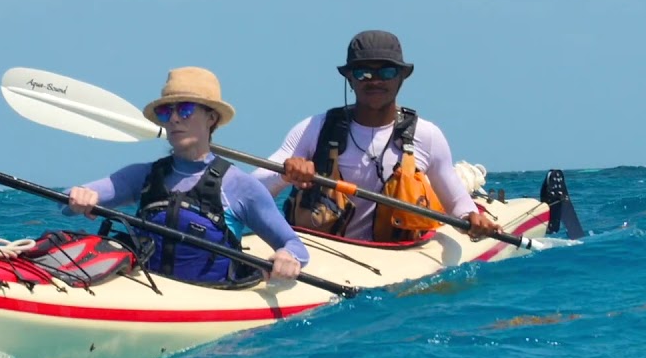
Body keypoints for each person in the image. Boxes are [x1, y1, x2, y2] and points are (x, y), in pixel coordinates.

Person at [252, 30, 501, 243]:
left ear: (402, 77)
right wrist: (285, 173)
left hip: (397, 260)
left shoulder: (427, 136)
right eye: (363, 73)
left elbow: (458, 206)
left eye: (387, 72)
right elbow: (251, 189)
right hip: (324, 254)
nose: (375, 81)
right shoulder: (315, 129)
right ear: (350, 78)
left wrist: (471, 219)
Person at [66, 67, 307, 285]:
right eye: (165, 111)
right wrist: (79, 197)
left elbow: (297, 247)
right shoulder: (143, 176)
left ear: (211, 118)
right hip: (147, 290)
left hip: (212, 298)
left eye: (185, 109)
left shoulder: (241, 187)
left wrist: (288, 256)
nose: (173, 118)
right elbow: (65, 202)